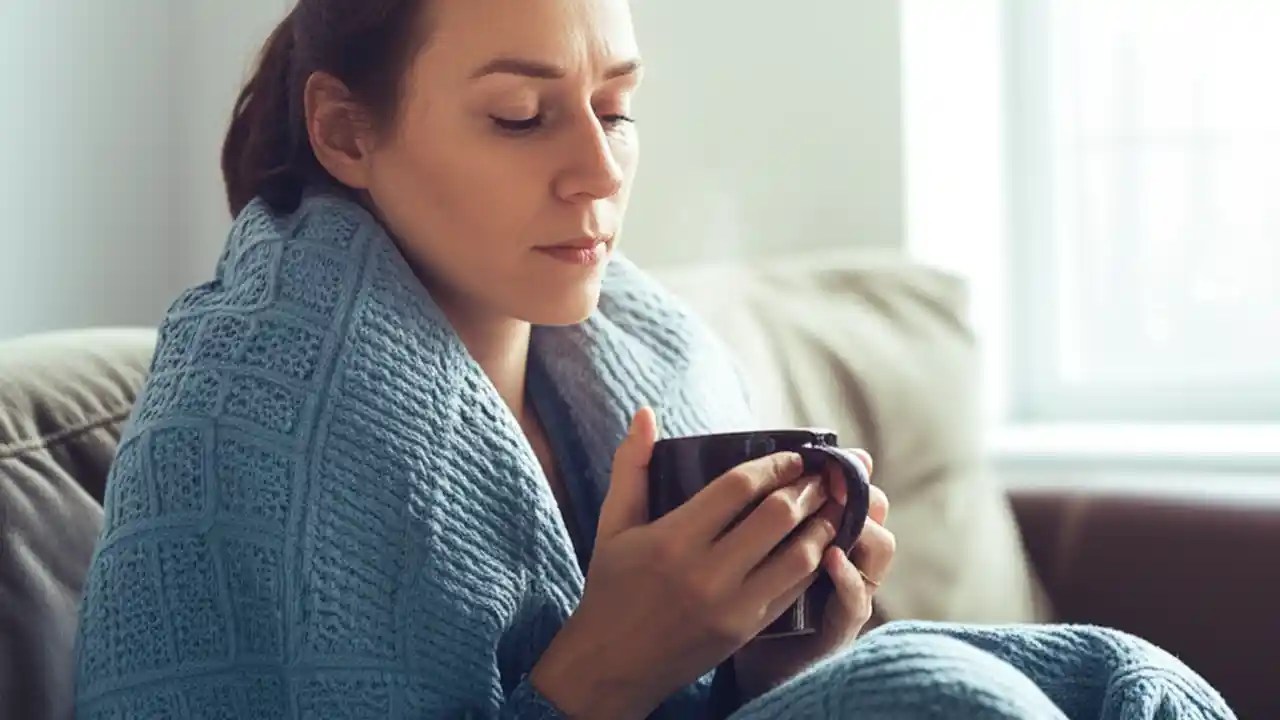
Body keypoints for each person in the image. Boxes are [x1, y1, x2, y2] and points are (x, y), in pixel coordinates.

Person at [72, 0, 1234, 718]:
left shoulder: (651, 354)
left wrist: (781, 651)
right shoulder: (247, 419)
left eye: (614, 108)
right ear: (344, 132)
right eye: (522, 116)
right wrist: (605, 672)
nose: (596, 170)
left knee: (1113, 678)